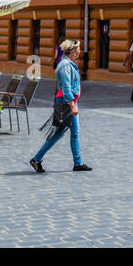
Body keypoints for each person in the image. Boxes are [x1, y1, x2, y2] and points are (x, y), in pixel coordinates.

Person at [28, 39, 91, 173]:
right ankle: (37, 159)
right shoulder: (65, 66)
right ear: (73, 51)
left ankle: (77, 163)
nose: (80, 51)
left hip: (69, 102)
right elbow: (67, 88)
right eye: (79, 49)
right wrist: (72, 106)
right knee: (59, 134)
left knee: (72, 133)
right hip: (66, 103)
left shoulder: (68, 64)